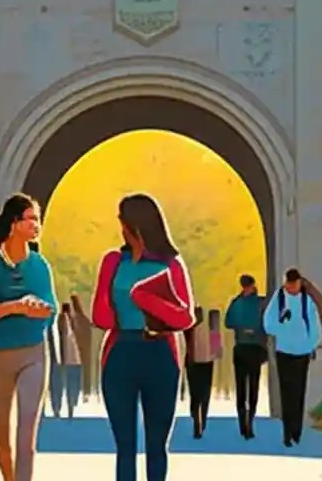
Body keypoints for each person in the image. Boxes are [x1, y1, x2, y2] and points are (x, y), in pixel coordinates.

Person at [91, 193, 196, 481]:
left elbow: (185, 317)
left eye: (122, 220)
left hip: (160, 354)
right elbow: (100, 317)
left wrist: (146, 298)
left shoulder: (171, 264)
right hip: (120, 353)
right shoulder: (114, 261)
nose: (120, 227)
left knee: (157, 445)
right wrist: (121, 299)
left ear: (135, 224)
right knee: (124, 446)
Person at [0, 193, 56, 481]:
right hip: (0, 356)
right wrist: (16, 307)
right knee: (4, 441)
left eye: (38, 219)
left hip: (34, 353)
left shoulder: (40, 265)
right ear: (13, 223)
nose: (36, 225)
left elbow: (51, 309)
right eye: (30, 219)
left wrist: (39, 308)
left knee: (26, 438)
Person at [264, 268, 322, 447]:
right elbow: (268, 323)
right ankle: (287, 431)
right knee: (286, 391)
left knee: (299, 391)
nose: (291, 288)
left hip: (302, 352)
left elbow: (315, 327)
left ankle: (296, 430)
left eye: (294, 284)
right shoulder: (279, 299)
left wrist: (310, 345)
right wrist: (282, 327)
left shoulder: (307, 301)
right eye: (289, 285)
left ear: (299, 283)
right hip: (283, 351)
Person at [223, 274, 266, 439]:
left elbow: (228, 322)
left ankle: (245, 424)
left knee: (243, 388)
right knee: (251, 387)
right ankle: (248, 423)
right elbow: (267, 324)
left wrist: (241, 327)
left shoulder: (236, 302)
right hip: (254, 347)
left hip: (242, 347)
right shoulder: (261, 303)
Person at [182, 306, 222, 438]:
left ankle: (197, 419)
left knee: (195, 394)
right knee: (204, 393)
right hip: (206, 361)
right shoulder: (212, 320)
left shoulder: (188, 325)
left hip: (193, 361)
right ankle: (201, 420)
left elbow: (184, 343)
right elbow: (217, 349)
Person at [48, 301, 85, 419]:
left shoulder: (59, 322)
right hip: (70, 360)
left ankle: (59, 409)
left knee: (57, 386)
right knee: (68, 385)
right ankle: (67, 408)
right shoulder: (69, 321)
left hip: (60, 360)